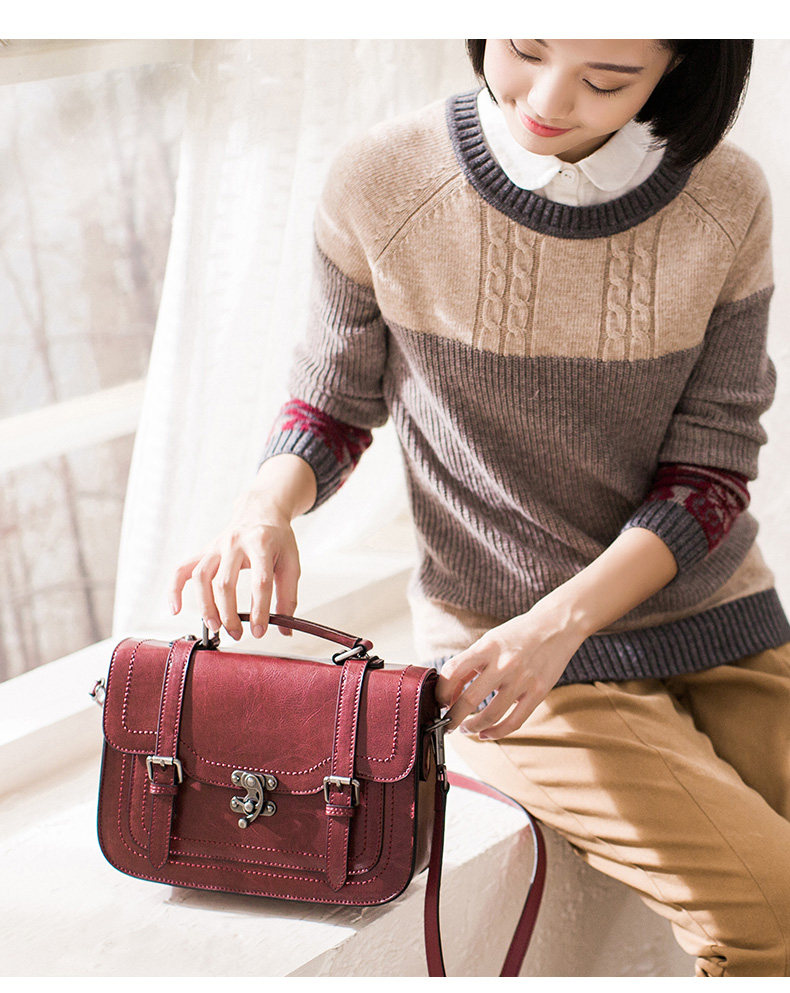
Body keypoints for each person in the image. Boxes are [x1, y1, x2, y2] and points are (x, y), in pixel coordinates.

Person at [169, 40, 790, 976]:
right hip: (508, 664)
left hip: (717, 622)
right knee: (771, 907)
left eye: (607, 79)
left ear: (681, 64)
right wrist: (264, 508)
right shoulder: (384, 180)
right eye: (525, 48)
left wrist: (562, 621)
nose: (548, 98)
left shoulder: (725, 194)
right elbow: (334, 400)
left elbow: (709, 472)